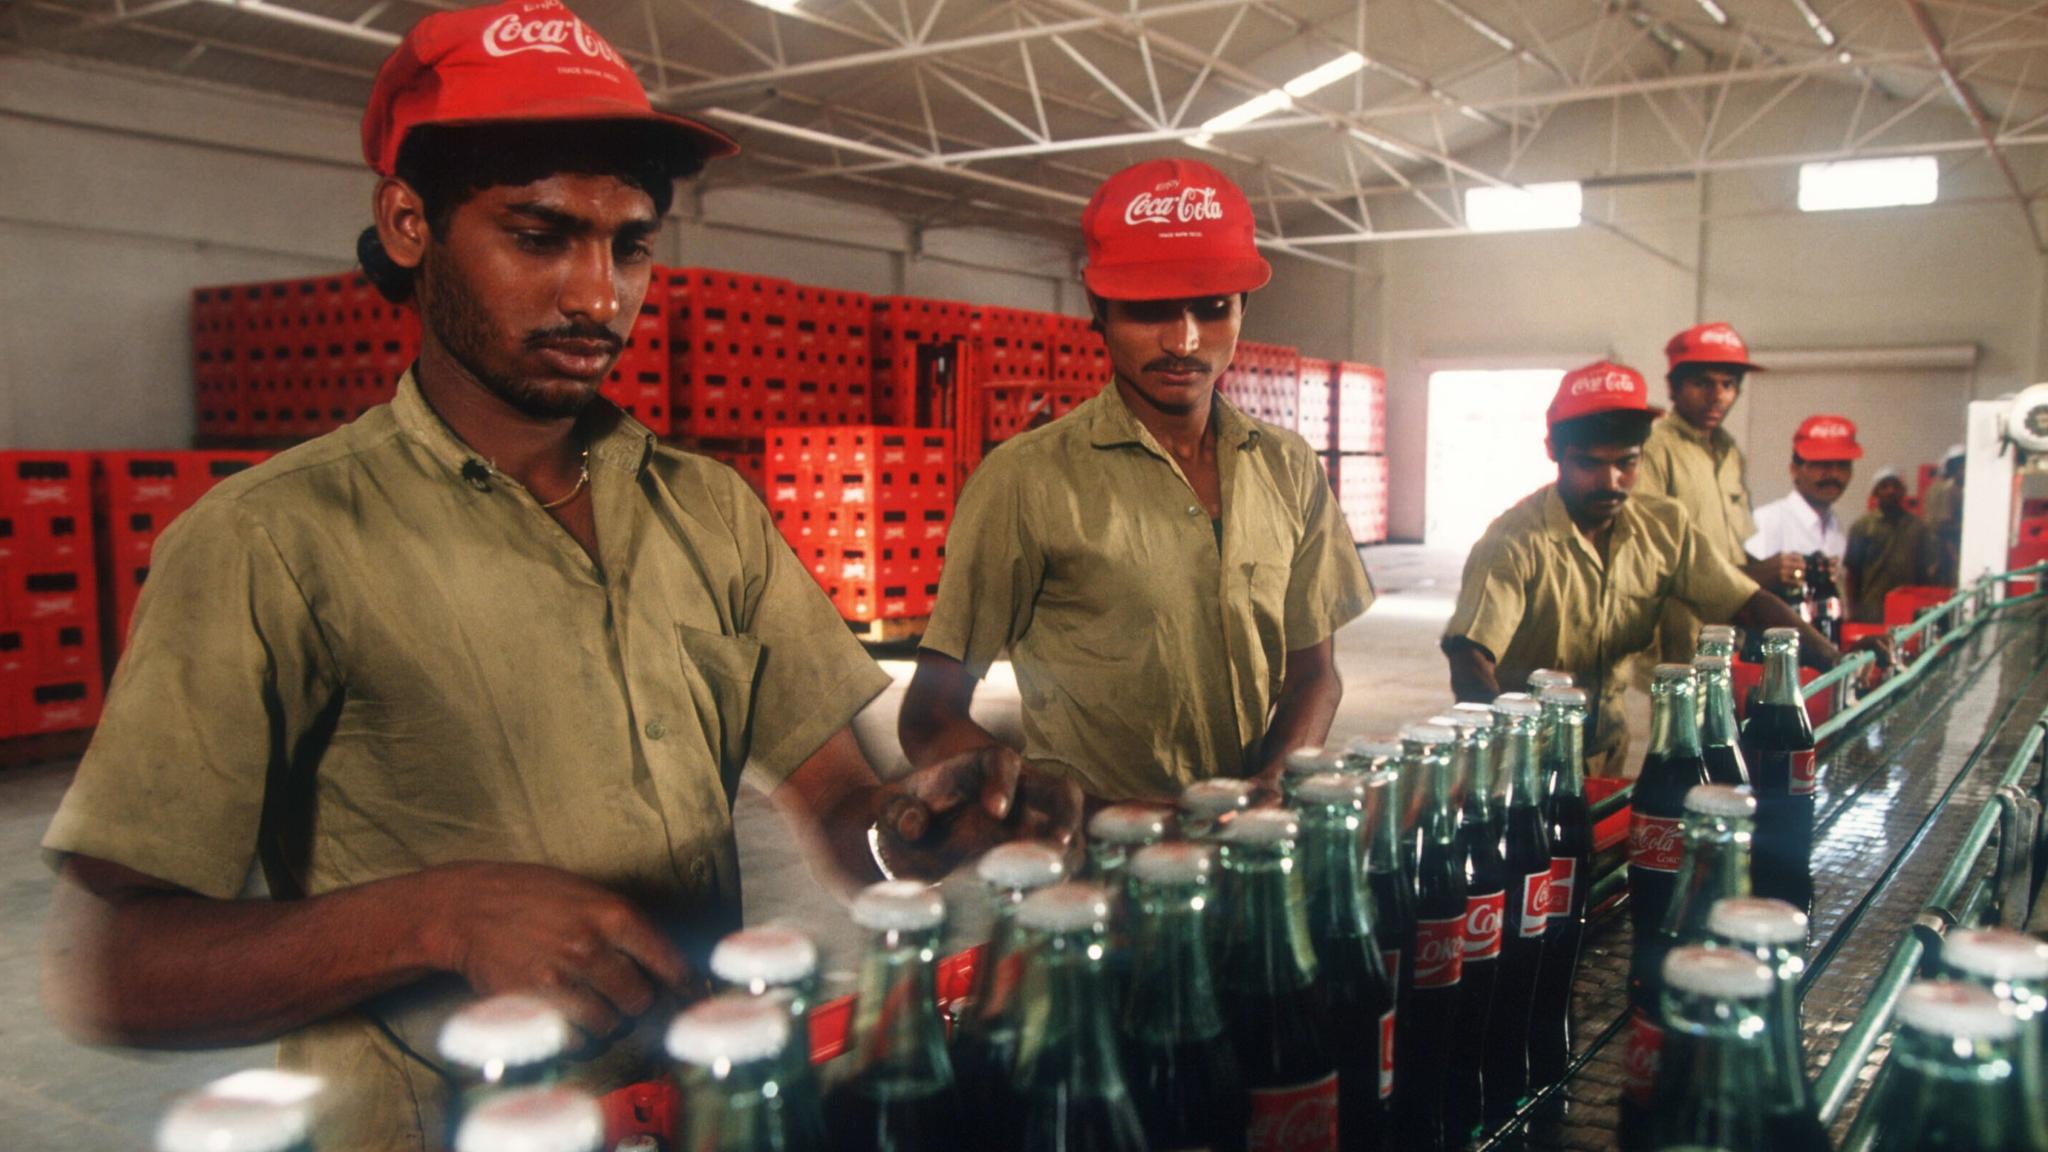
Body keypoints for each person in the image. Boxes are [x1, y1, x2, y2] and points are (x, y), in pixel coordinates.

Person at [39, 5, 1079, 1149]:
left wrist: (912, 829)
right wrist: (431, 919)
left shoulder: (705, 511)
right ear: (407, 224)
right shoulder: (273, 541)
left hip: (691, 1109)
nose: (597, 296)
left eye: (628, 246)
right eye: (539, 237)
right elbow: (110, 961)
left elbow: (838, 809)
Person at [897, 158, 1375, 802]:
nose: (1184, 341)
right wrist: (1062, 811)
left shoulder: (1287, 467)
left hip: (1244, 841)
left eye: (1213, 309)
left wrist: (1267, 788)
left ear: (1243, 308)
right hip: (1091, 852)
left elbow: (1314, 675)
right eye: (1150, 310)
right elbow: (929, 717)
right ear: (1099, 307)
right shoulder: (1026, 480)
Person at [1442, 361, 1848, 776]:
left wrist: (1835, 658)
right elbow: (1469, 656)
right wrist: (1507, 748)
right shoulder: (1513, 542)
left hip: (1606, 749)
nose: (1611, 481)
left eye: (1627, 463)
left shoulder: (1663, 527)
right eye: (1589, 464)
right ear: (1554, 452)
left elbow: (1746, 603)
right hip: (1525, 761)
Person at [1637, 323, 1804, 659]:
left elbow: (1731, 550)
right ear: (1673, 387)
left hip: (1727, 637)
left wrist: (1778, 571)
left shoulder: (1729, 452)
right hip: (1673, 645)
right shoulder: (1653, 447)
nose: (1717, 396)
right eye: (1702, 383)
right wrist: (1752, 577)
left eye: (1728, 384)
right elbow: (1650, 559)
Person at [1746, 415, 1862, 565]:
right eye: (1823, 464)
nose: (1834, 474)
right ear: (1794, 470)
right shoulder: (1767, 521)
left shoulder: (1835, 528)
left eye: (1843, 465)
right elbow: (1743, 577)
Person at [1845, 469, 1944, 623]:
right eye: (1884, 486)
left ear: (1903, 491)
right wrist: (1853, 611)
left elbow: (1924, 573)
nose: (1891, 491)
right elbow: (1853, 573)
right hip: (1872, 610)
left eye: (1896, 486)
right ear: (1875, 492)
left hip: (1908, 609)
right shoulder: (1862, 527)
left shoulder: (1918, 527)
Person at [1922, 444, 1966, 584]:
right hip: (1944, 556)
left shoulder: (1950, 488)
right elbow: (1943, 528)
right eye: (1961, 466)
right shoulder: (1947, 489)